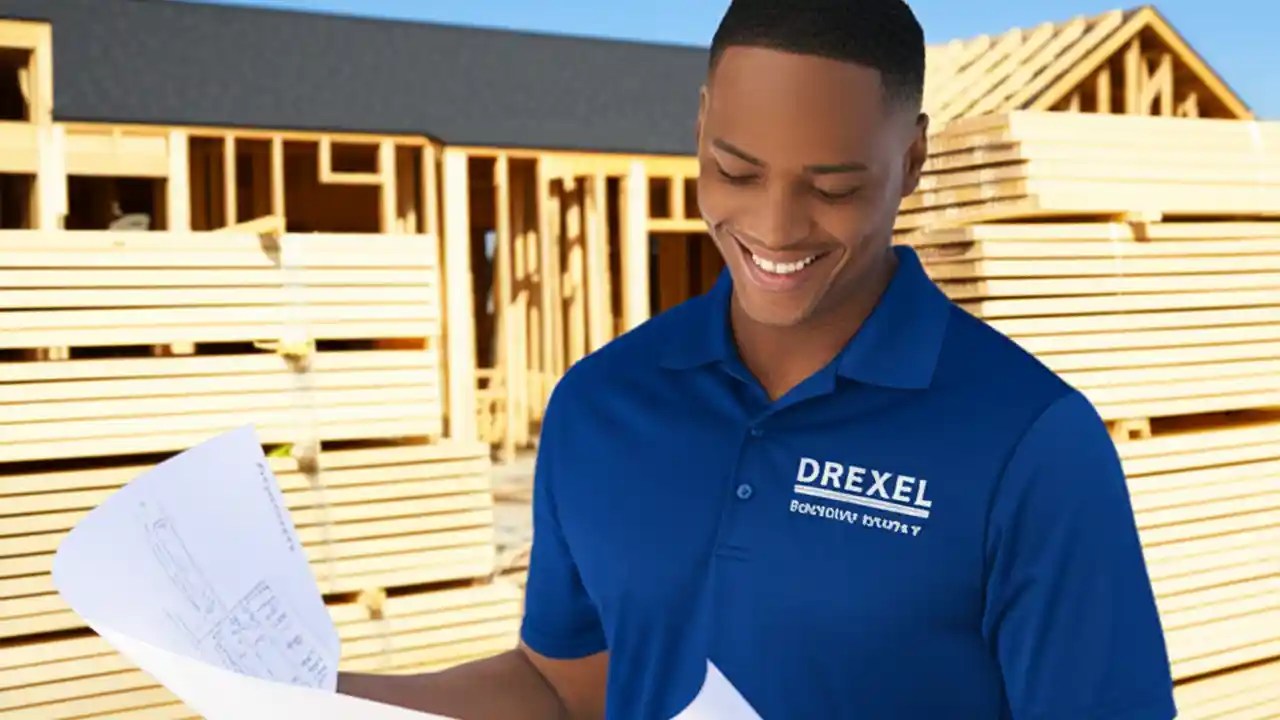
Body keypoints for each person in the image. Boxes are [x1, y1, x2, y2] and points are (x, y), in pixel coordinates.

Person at [337, 0, 1178, 717]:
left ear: (913, 162)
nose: (775, 228)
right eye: (735, 170)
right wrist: (323, 698)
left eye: (835, 188)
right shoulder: (600, 405)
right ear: (701, 125)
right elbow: (566, 687)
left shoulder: (1031, 445)